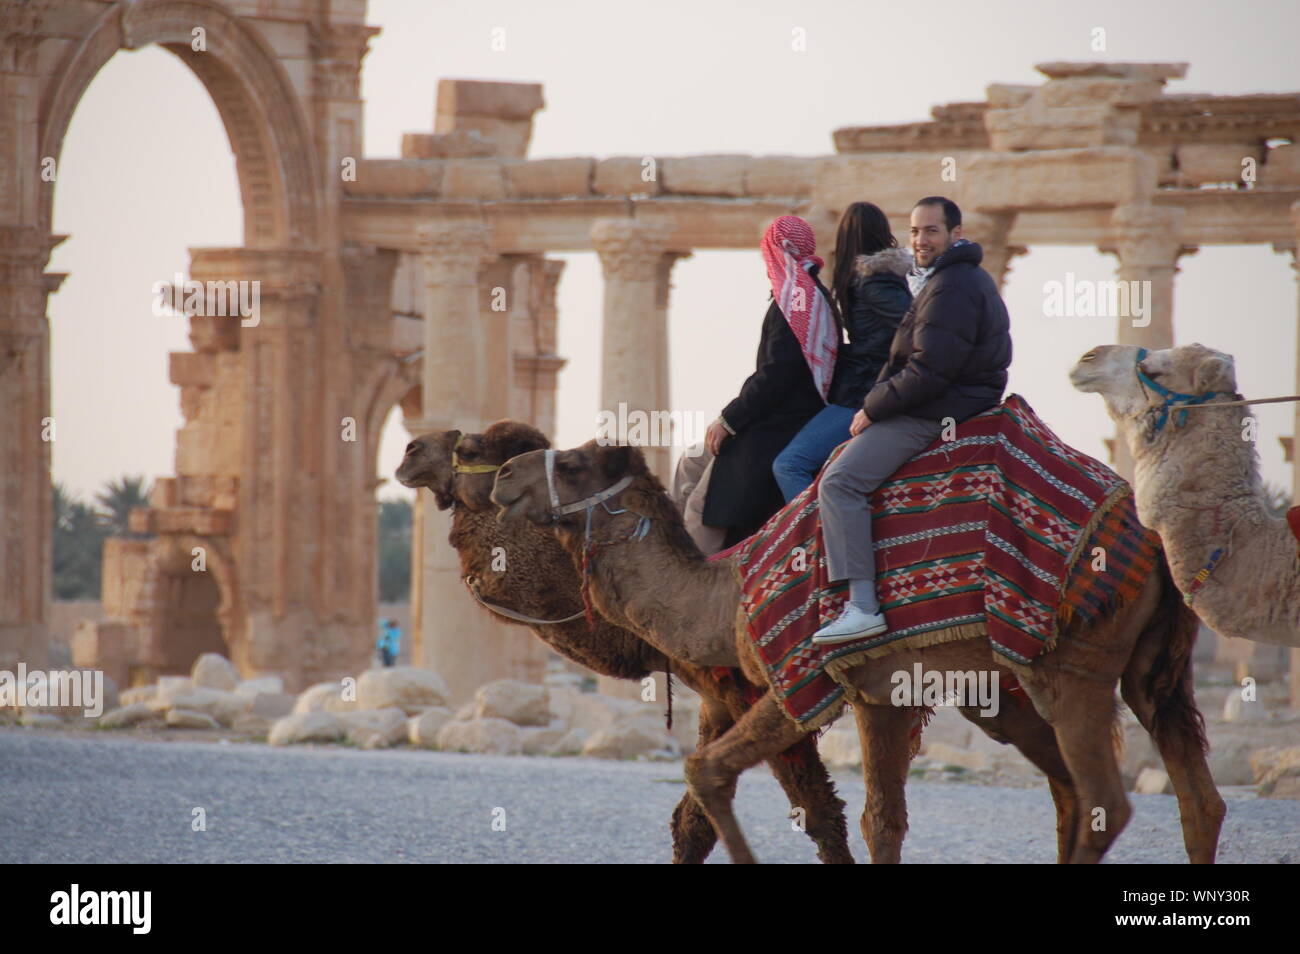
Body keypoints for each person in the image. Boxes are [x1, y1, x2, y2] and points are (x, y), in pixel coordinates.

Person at [812, 196, 1012, 645]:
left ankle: (862, 606)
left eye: (932, 231)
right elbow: (907, 356)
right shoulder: (946, 280)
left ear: (955, 234)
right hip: (941, 399)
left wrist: (872, 407)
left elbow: (930, 369)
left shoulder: (952, 286)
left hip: (941, 406)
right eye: (916, 231)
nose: (921, 240)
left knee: (839, 483)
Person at [700, 215, 835, 548]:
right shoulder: (809, 294)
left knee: (702, 495)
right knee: (693, 464)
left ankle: (692, 582)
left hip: (782, 422)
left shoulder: (795, 301)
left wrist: (730, 420)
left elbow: (777, 373)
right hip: (789, 415)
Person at [772, 202, 913, 500]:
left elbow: (913, 328)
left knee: (789, 464)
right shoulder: (883, 278)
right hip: (866, 385)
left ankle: (815, 541)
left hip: (864, 391)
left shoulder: (873, 281)